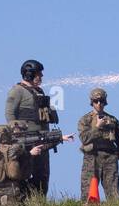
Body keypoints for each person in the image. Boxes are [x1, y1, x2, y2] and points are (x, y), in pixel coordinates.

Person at [4, 59, 73, 196]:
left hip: (42, 140)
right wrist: (17, 135)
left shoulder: (39, 91)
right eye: (38, 74)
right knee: (25, 174)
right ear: (29, 74)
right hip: (26, 141)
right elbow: (9, 114)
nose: (41, 77)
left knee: (42, 176)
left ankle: (39, 203)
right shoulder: (17, 91)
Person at [77, 87, 119, 200]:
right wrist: (97, 127)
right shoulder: (85, 120)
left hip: (109, 158)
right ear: (92, 102)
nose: (99, 104)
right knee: (89, 194)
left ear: (105, 102)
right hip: (91, 158)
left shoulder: (113, 120)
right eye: (96, 101)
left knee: (113, 193)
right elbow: (84, 138)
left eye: (101, 101)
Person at [0, 124, 46, 206]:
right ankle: (7, 200)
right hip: (9, 191)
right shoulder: (14, 149)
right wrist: (31, 153)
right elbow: (23, 168)